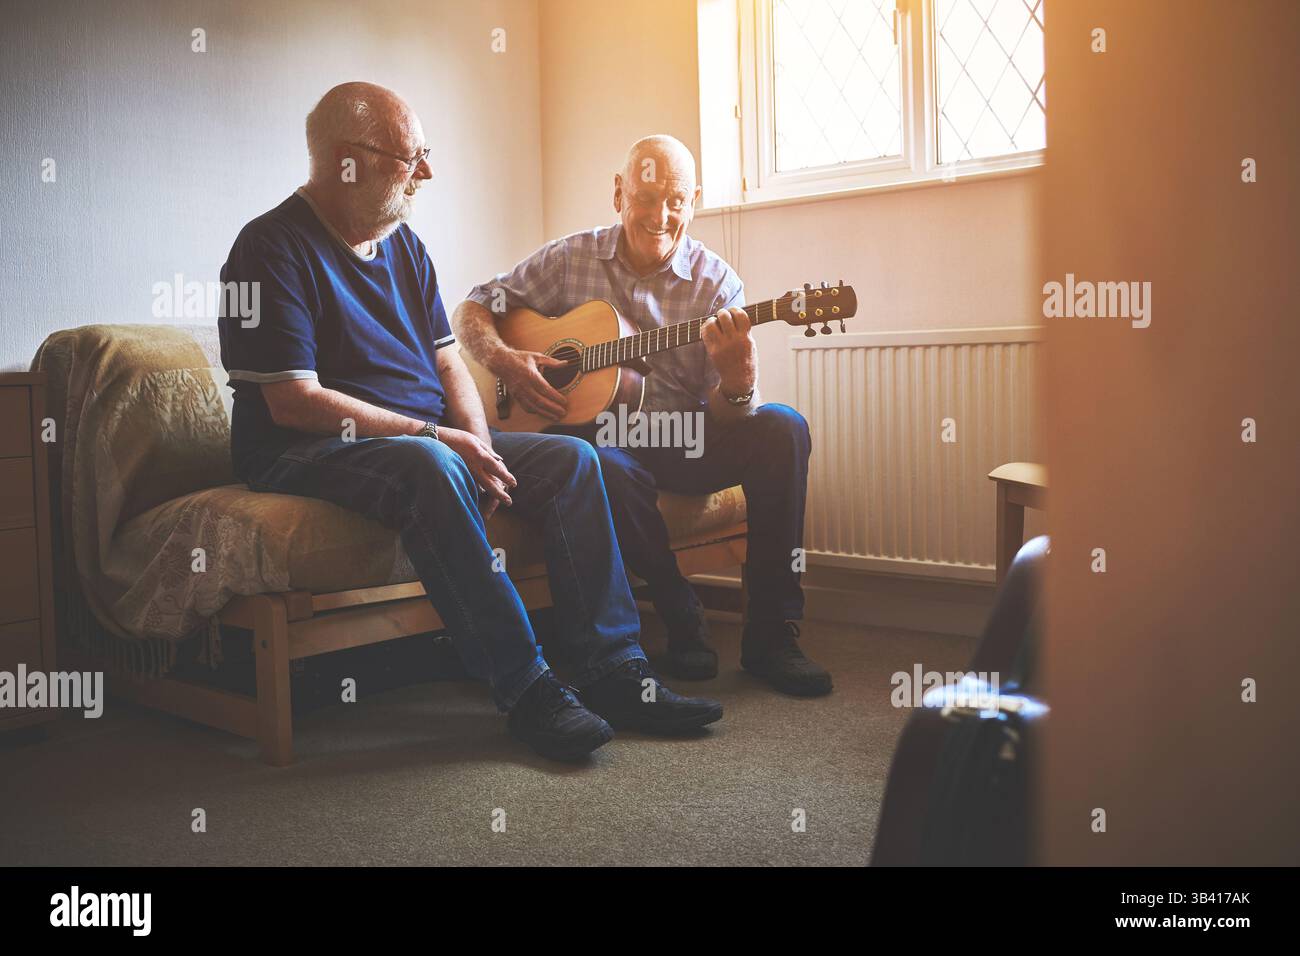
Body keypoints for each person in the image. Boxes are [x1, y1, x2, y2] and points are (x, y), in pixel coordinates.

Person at [217, 84, 721, 762]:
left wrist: (480, 444)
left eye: (426, 155)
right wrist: (439, 439)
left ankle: (615, 670)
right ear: (346, 160)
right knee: (431, 464)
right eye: (410, 157)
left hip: (422, 439)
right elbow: (294, 402)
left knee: (574, 460)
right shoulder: (269, 248)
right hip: (303, 446)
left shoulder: (406, 248)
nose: (426, 173)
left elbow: (450, 364)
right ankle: (528, 689)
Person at [453, 135, 831, 696]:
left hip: (687, 436)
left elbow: (728, 420)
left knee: (783, 426)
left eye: (676, 200)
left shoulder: (717, 284)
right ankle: (680, 610)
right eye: (647, 197)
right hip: (601, 437)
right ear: (618, 193)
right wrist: (506, 361)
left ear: (694, 201)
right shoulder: (568, 259)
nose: (661, 216)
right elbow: (473, 308)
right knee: (603, 463)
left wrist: (738, 382)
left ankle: (773, 638)